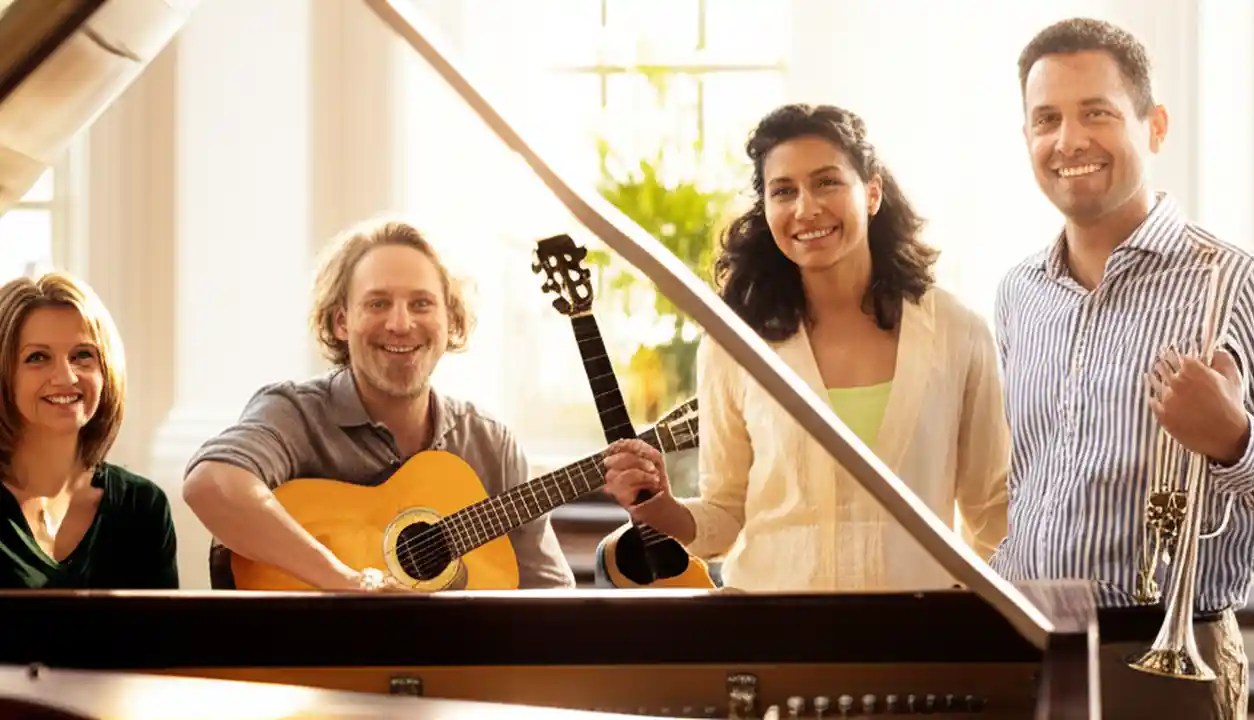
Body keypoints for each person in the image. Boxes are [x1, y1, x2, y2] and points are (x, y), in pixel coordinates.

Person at [990, 18, 1254, 719]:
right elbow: (1025, 482)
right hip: (1023, 646)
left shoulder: (1241, 282)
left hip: (1168, 663)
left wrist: (1233, 440)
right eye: (1046, 119)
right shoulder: (1017, 293)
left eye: (1097, 113)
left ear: (1154, 127)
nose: (1068, 141)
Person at [601, 103, 1010, 592]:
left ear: (872, 192)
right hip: (773, 637)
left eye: (827, 182)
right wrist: (659, 506)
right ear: (767, 208)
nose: (806, 208)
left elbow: (993, 511)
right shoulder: (735, 342)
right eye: (784, 191)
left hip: (918, 640)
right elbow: (725, 514)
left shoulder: (957, 331)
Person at [182, 219, 574, 591]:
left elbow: (552, 598)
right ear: (341, 322)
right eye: (377, 303)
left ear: (451, 321)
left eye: (421, 304)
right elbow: (210, 483)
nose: (400, 324)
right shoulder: (295, 414)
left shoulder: (490, 443)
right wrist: (344, 581)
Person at [0, 272, 178, 589]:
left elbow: (162, 638)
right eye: (37, 357)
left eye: (82, 355)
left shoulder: (143, 508)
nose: (66, 377)